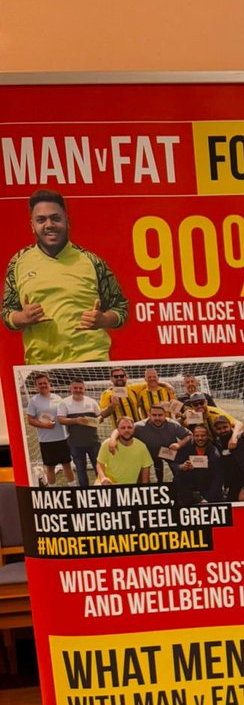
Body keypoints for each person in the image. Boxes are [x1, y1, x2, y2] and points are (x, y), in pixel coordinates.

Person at [2, 190, 129, 365]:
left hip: (90, 362)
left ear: (67, 222)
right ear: (32, 225)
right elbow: (7, 312)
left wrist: (104, 320)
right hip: (40, 366)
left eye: (55, 218)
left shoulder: (92, 261)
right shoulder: (18, 262)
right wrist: (21, 318)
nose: (49, 225)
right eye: (41, 220)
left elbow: (121, 308)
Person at [26, 371, 74, 486]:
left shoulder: (58, 398)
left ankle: (73, 487)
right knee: (50, 467)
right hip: (46, 440)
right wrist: (45, 425)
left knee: (67, 465)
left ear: (49, 384)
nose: (43, 385)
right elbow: (30, 420)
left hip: (62, 438)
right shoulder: (33, 401)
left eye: (45, 383)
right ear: (36, 386)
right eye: (40, 384)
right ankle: (52, 490)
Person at [58, 378, 102, 488]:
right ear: (70, 389)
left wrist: (97, 420)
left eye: (80, 388)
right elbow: (60, 420)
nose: (78, 390)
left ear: (84, 389)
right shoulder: (64, 403)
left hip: (93, 442)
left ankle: (102, 488)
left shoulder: (92, 402)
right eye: (75, 388)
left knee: (99, 467)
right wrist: (76, 421)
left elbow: (99, 417)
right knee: (80, 469)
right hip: (75, 443)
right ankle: (84, 491)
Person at [134, 404, 192, 484]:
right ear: (149, 415)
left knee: (177, 471)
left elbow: (189, 435)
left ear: (165, 414)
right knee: (157, 471)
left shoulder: (173, 424)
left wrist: (179, 444)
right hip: (151, 452)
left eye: (160, 415)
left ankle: (179, 485)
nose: (157, 418)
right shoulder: (139, 426)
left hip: (169, 451)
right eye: (154, 415)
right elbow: (121, 431)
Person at [173, 422, 224, 505]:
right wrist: (182, 466)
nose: (200, 438)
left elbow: (218, 478)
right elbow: (174, 465)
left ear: (207, 436)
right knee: (178, 477)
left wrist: (207, 499)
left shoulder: (214, 453)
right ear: (193, 436)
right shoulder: (185, 448)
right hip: (190, 489)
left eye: (203, 435)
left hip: (208, 489)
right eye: (197, 436)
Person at [95, 416, 152, 485]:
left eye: (129, 427)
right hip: (108, 483)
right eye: (123, 428)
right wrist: (103, 478)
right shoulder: (107, 444)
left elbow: (146, 467)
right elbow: (100, 463)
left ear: (133, 429)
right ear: (118, 430)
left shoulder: (141, 446)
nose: (126, 430)